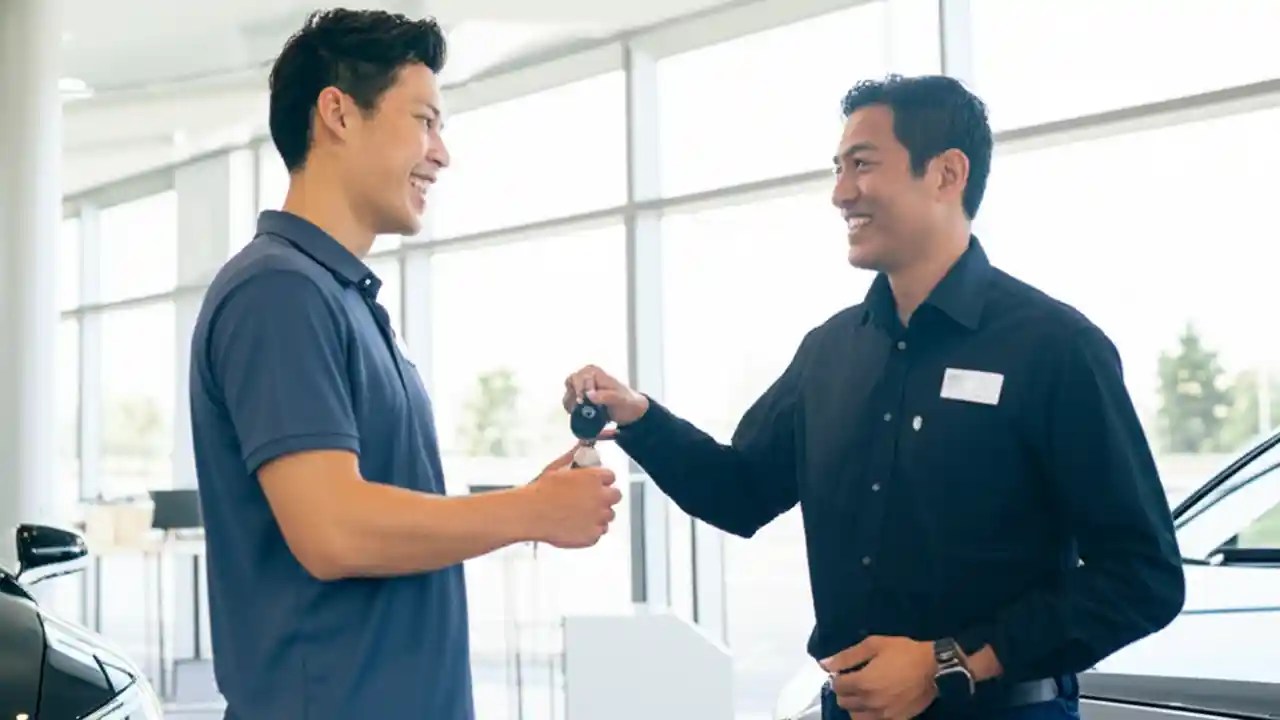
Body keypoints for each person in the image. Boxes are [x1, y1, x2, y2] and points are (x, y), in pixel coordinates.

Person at [564, 74, 1185, 720]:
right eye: (837, 169)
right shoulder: (829, 352)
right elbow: (739, 491)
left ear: (946, 174)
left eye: (862, 165)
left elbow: (1142, 576)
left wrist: (953, 661)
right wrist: (638, 416)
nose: (840, 194)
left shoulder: (1055, 349)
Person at [189, 10, 621, 720]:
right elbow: (334, 530)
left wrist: (530, 500)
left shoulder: (339, 297)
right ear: (338, 113)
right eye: (424, 120)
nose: (441, 153)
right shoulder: (279, 292)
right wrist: (528, 512)